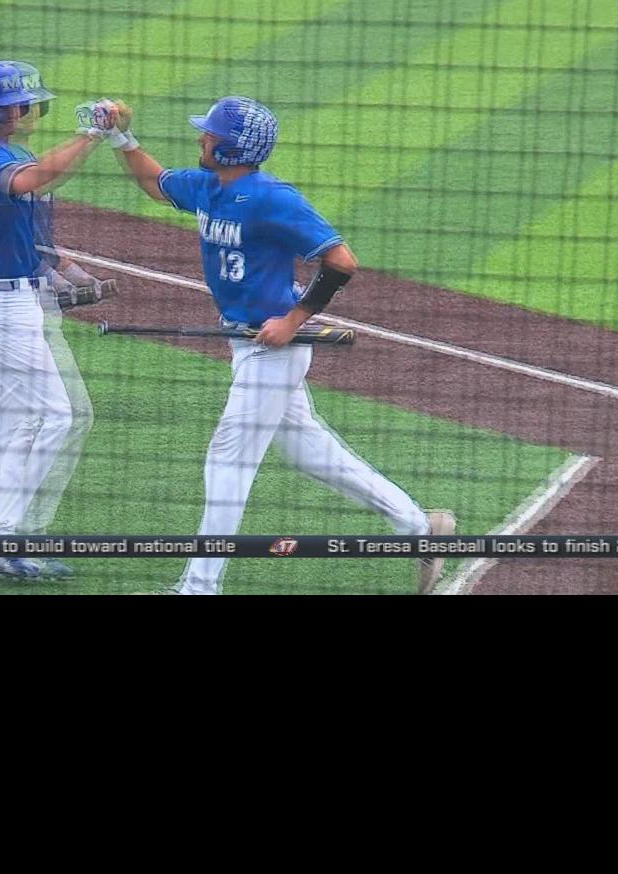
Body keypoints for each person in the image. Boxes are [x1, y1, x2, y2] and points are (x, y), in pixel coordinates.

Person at [85, 95, 454, 595]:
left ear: (233, 150)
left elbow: (342, 261)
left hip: (273, 348)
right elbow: (155, 183)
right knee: (309, 452)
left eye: (210, 135)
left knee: (227, 457)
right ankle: (419, 529)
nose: (201, 139)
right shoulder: (209, 187)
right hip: (245, 341)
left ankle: (198, 587)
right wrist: (119, 137)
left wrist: (292, 319)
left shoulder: (272, 198)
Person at [0, 60, 100, 581]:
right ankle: (0, 536)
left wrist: (61, 273)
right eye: (16, 102)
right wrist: (91, 135)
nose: (26, 109)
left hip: (10, 295)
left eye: (26, 101)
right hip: (4, 305)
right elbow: (37, 180)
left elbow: (21, 235)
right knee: (56, 415)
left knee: (5, 422)